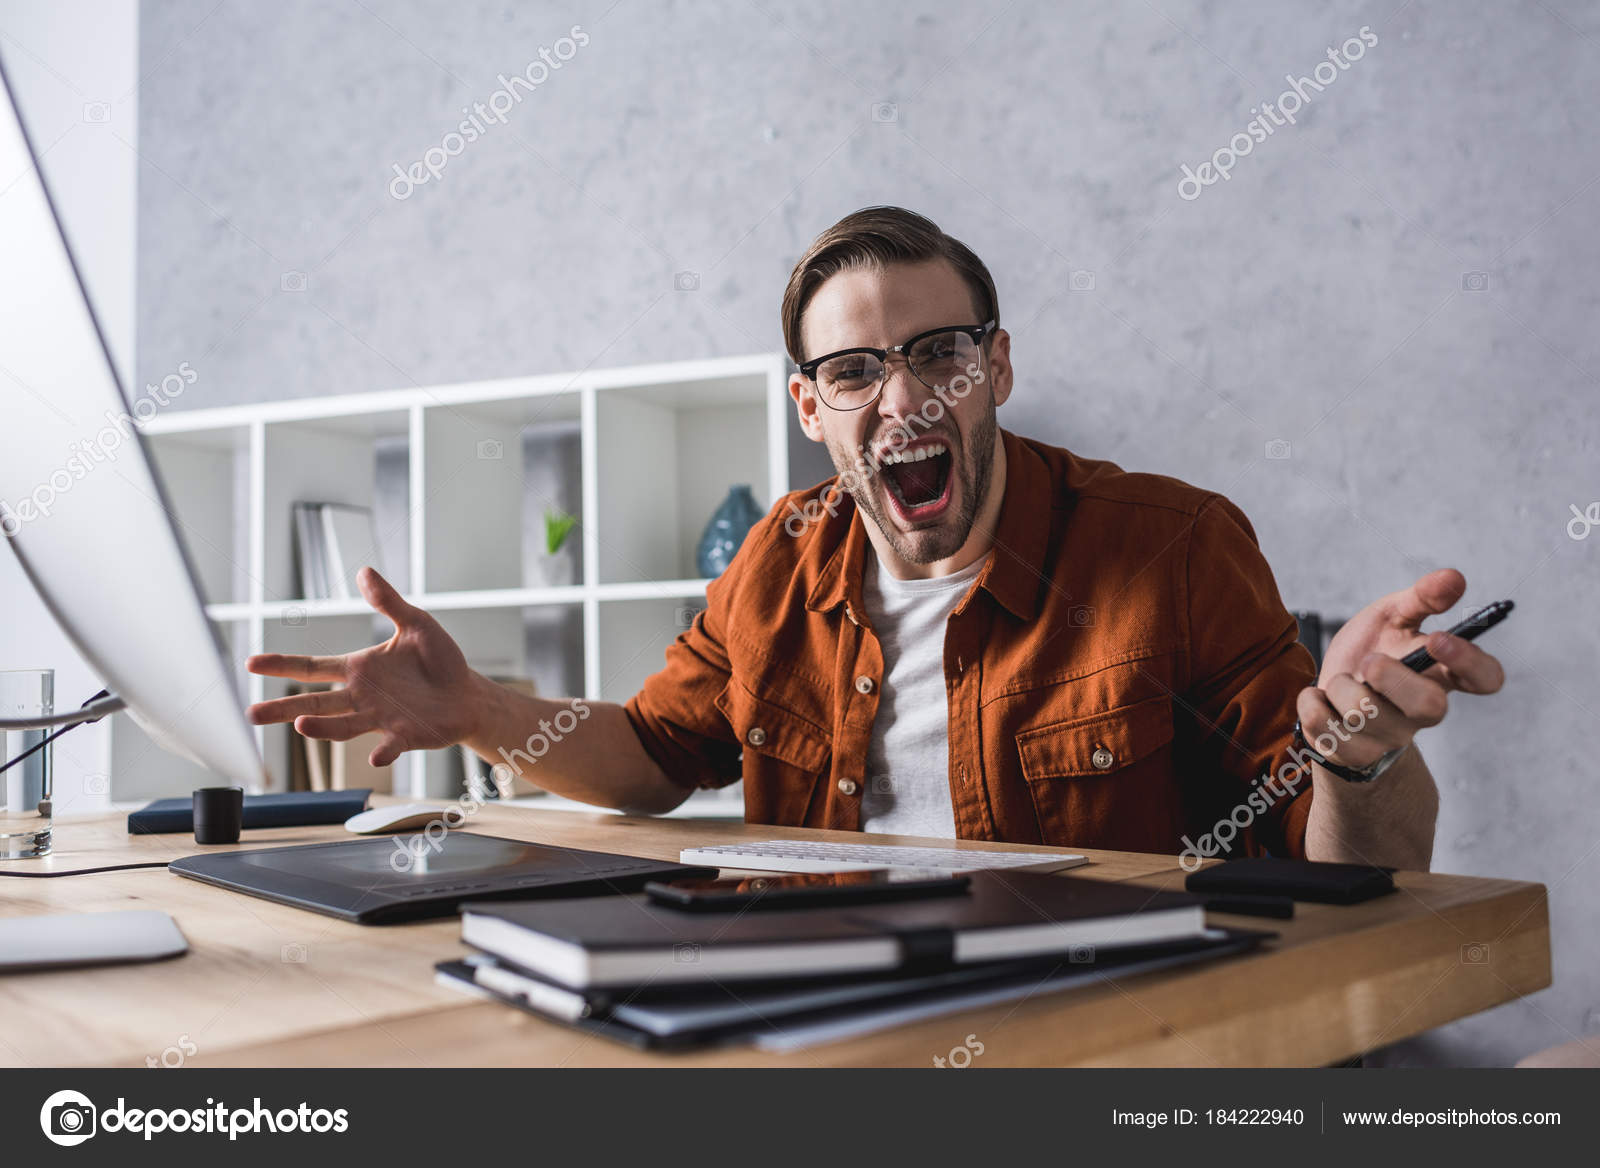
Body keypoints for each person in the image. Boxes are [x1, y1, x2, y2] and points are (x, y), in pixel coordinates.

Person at [247, 206, 1505, 869]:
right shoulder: (774, 564)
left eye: (938, 354)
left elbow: (1349, 873)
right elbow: (656, 753)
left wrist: (1359, 754)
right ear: (810, 410)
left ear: (995, 367)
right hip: (820, 1018)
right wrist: (476, 708)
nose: (903, 400)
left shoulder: (1169, 547)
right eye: (853, 371)